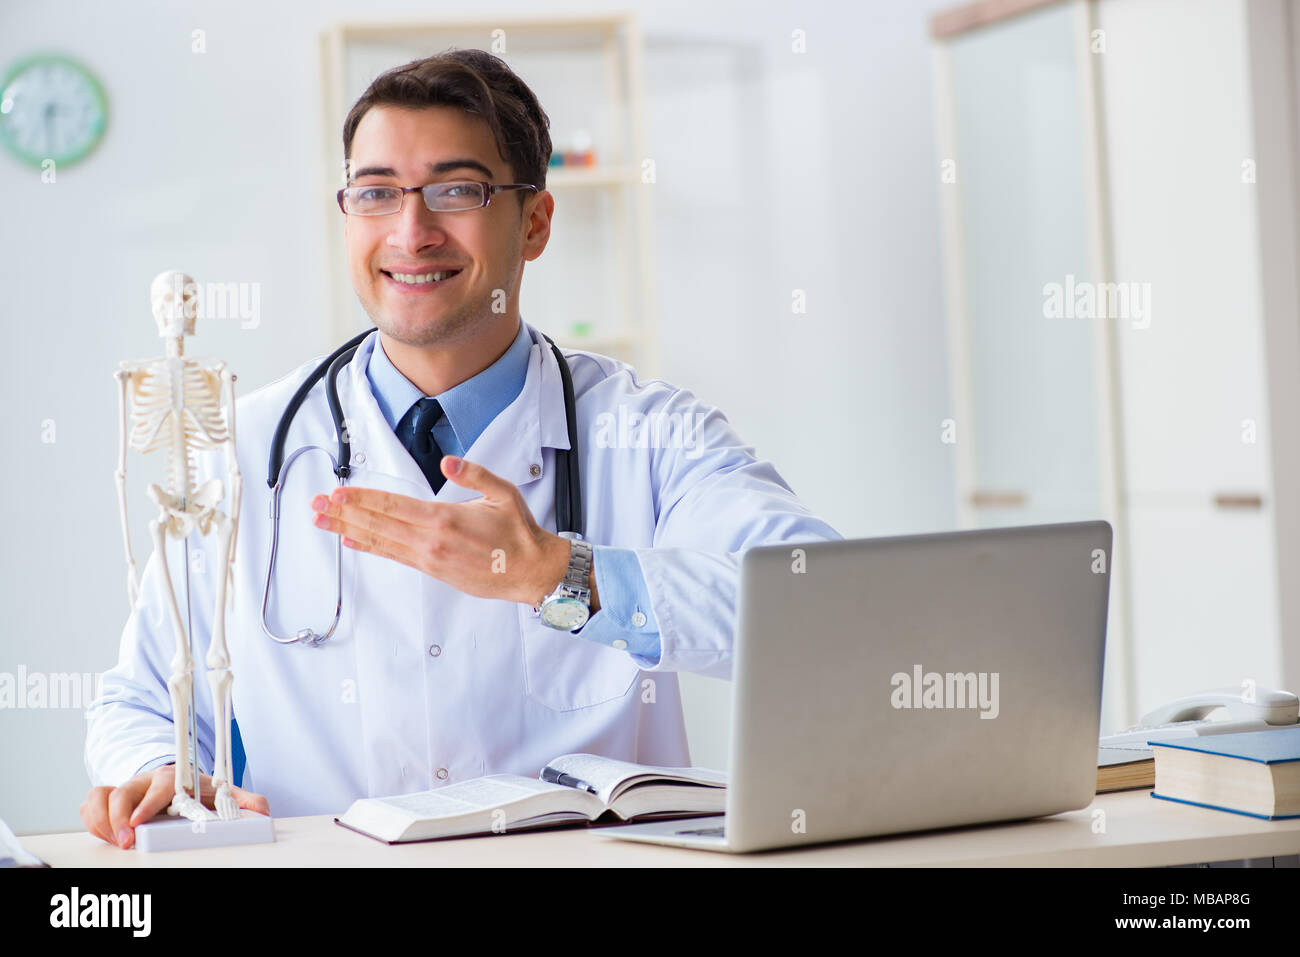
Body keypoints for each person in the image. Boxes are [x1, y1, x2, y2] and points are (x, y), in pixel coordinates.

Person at [81, 49, 841, 849]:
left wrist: (564, 574)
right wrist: (160, 769)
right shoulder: (249, 446)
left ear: (536, 221)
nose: (411, 232)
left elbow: (822, 613)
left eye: (456, 190)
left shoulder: (652, 433)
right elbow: (140, 699)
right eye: (376, 193)